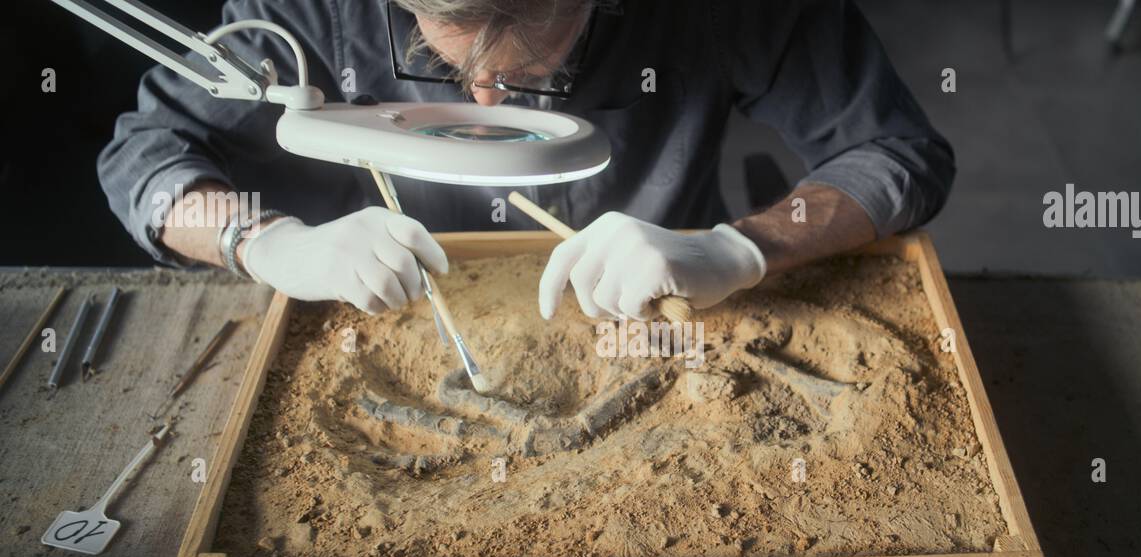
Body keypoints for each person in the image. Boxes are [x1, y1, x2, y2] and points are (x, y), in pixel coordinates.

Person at [99, 0, 954, 320]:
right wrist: (269, 242)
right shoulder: (309, 9)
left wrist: (742, 247)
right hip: (398, 307)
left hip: (654, 305)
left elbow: (896, 150)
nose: (487, 102)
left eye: (527, 70)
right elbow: (148, 154)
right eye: (447, 63)